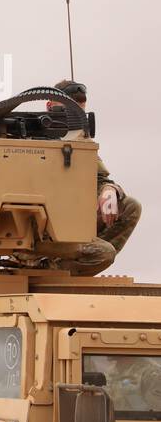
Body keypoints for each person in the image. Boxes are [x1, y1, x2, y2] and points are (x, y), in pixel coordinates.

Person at [53, 80, 142, 276]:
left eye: (80, 104)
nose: (75, 108)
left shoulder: (79, 140)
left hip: (70, 225)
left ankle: (64, 265)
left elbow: (101, 179)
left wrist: (110, 190)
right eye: (69, 103)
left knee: (129, 206)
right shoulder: (28, 140)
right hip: (41, 232)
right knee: (104, 253)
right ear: (51, 105)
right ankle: (45, 266)